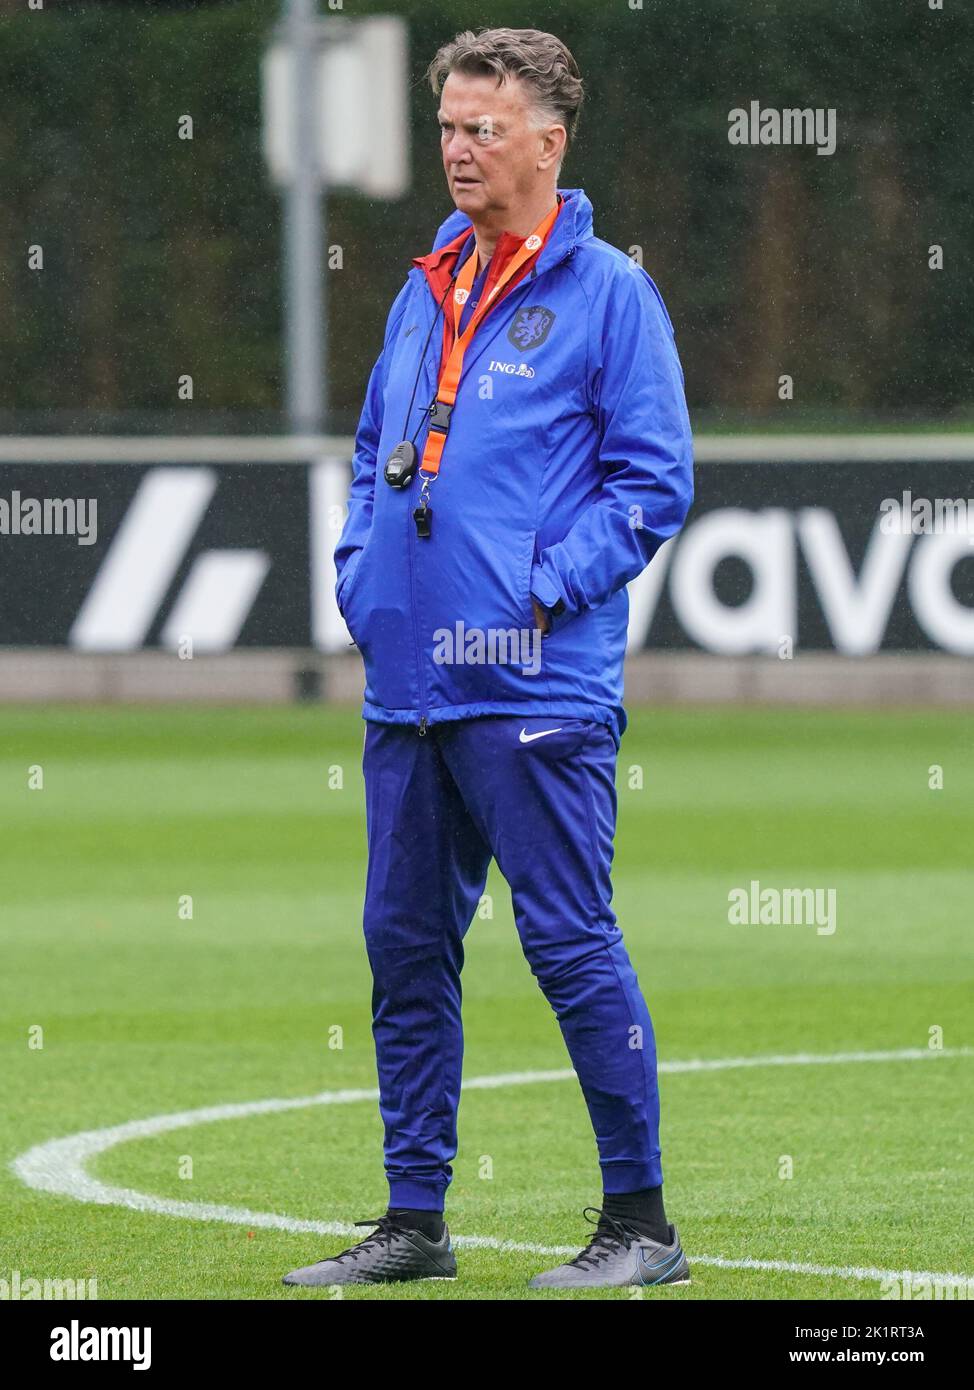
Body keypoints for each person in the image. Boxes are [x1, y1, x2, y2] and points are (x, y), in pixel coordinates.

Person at [284, 25, 694, 1291]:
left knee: (569, 943)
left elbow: (651, 483)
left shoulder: (610, 294)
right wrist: (360, 572)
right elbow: (372, 451)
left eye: (483, 128)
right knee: (403, 950)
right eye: (449, 127)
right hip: (409, 688)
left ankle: (641, 1226)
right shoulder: (425, 283)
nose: (457, 149)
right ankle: (416, 1222)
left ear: (548, 141)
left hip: (532, 689)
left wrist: (536, 587)